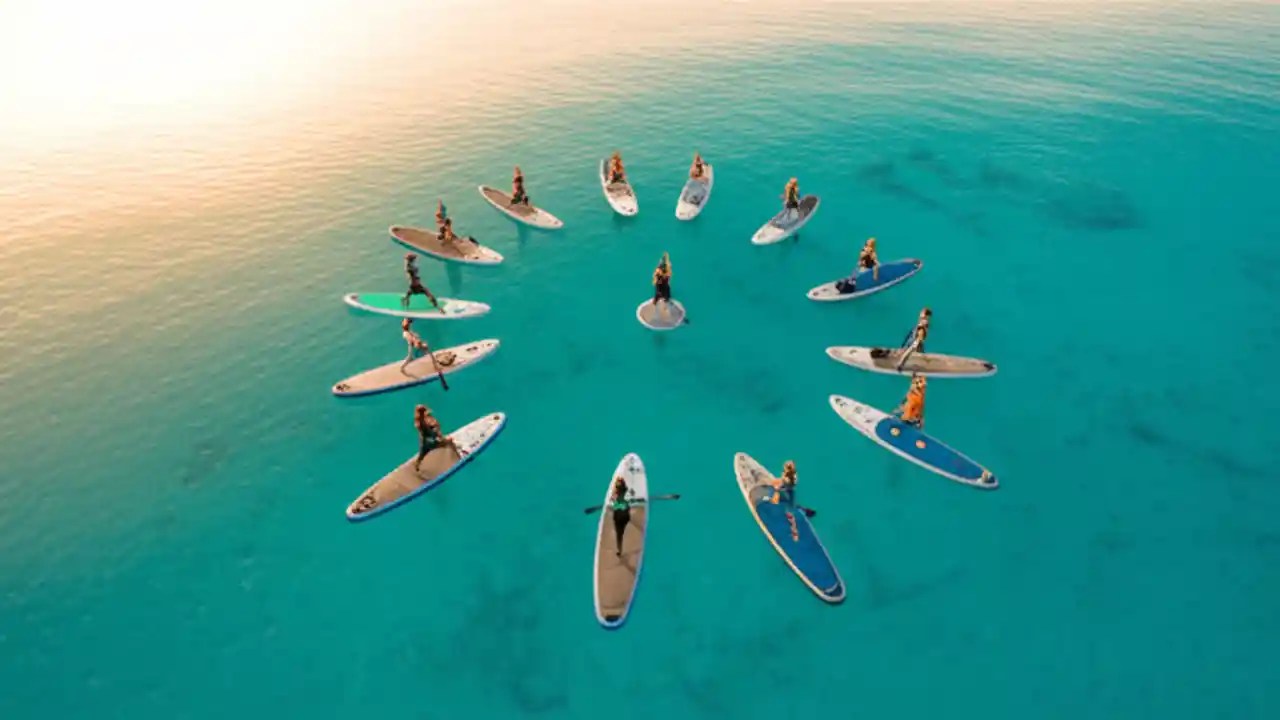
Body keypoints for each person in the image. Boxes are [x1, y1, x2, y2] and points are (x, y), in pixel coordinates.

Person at [413, 403, 460, 472]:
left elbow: (427, 432)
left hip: (424, 442)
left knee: (422, 454)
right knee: (449, 442)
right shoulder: (424, 422)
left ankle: (417, 465)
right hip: (431, 441)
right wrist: (441, 437)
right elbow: (434, 432)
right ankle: (458, 456)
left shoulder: (419, 421)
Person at [607, 475, 645, 557]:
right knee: (620, 532)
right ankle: (619, 550)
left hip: (619, 518)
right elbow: (629, 498)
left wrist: (619, 504)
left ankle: (619, 550)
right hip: (623, 517)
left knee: (619, 535)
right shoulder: (626, 493)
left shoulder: (615, 495)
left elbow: (614, 504)